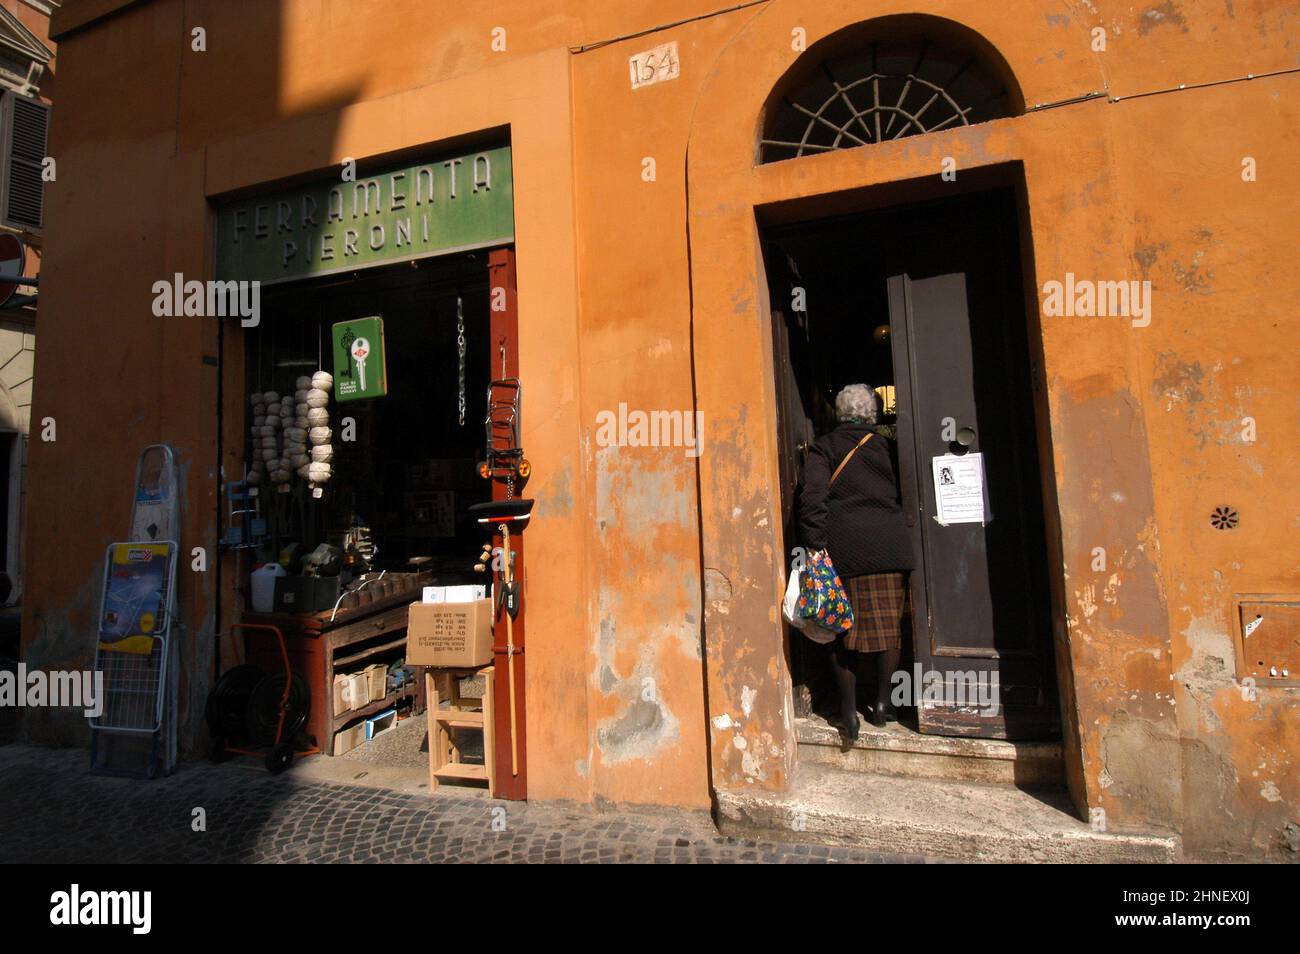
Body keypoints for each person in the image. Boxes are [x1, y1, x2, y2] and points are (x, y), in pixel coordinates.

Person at [798, 383, 914, 740]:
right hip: (889, 547)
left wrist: (815, 544)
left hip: (846, 549)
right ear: (873, 415)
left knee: (840, 629)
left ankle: (848, 713)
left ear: (838, 413)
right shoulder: (888, 446)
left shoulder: (825, 447)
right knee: (889, 629)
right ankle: (883, 703)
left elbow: (812, 499)